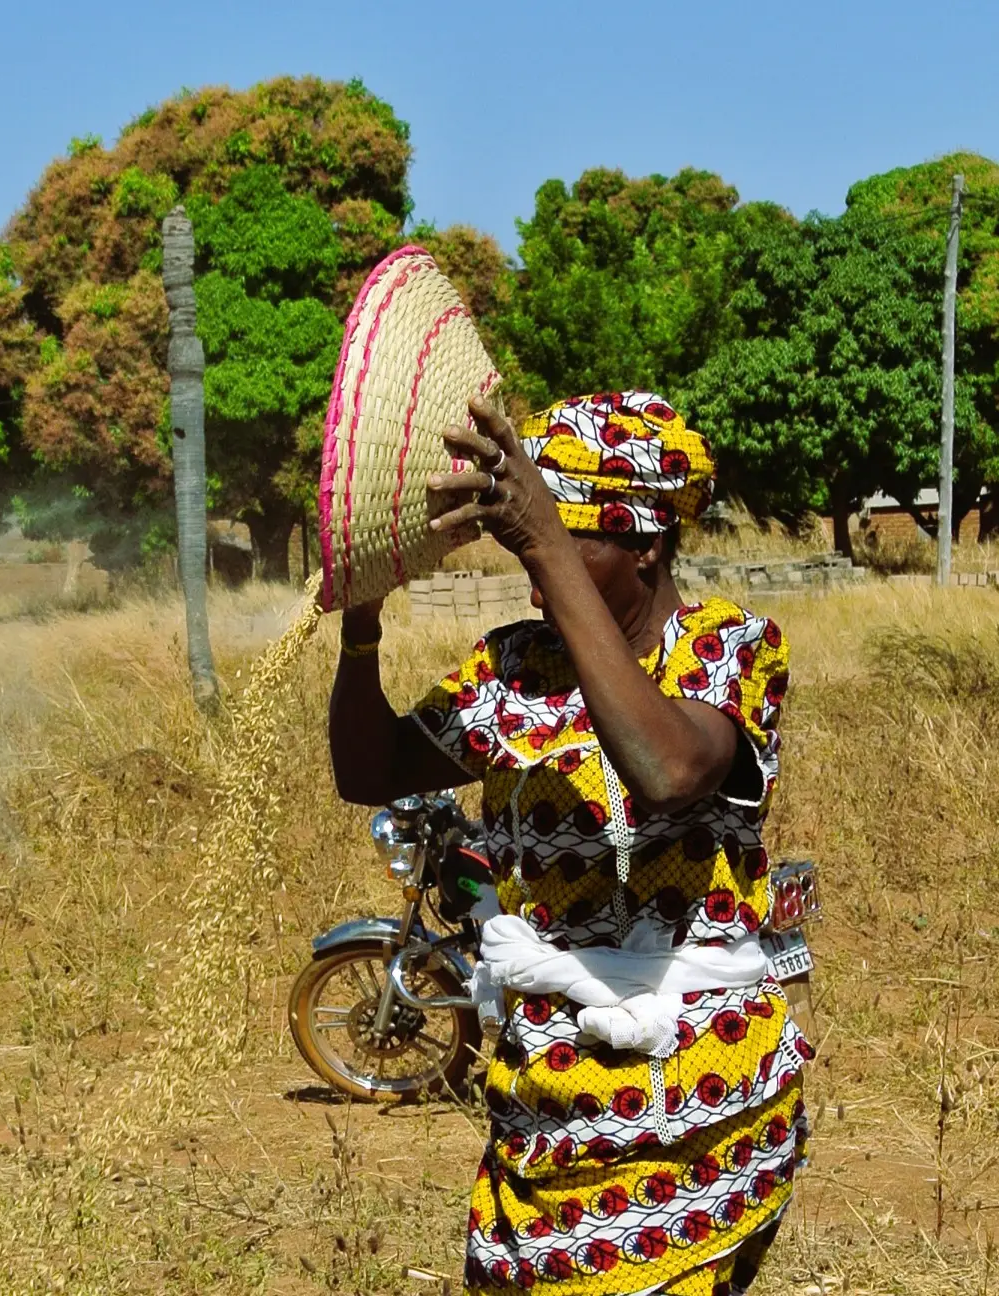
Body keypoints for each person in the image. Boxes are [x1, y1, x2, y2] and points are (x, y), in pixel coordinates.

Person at [328, 393, 810, 1296]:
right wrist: (361, 628)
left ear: (646, 542)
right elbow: (370, 770)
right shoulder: (514, 669)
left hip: (695, 1092)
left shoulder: (728, 650)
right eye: (529, 553)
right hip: (542, 1090)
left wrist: (541, 536)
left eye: (566, 542)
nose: (538, 581)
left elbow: (666, 770)